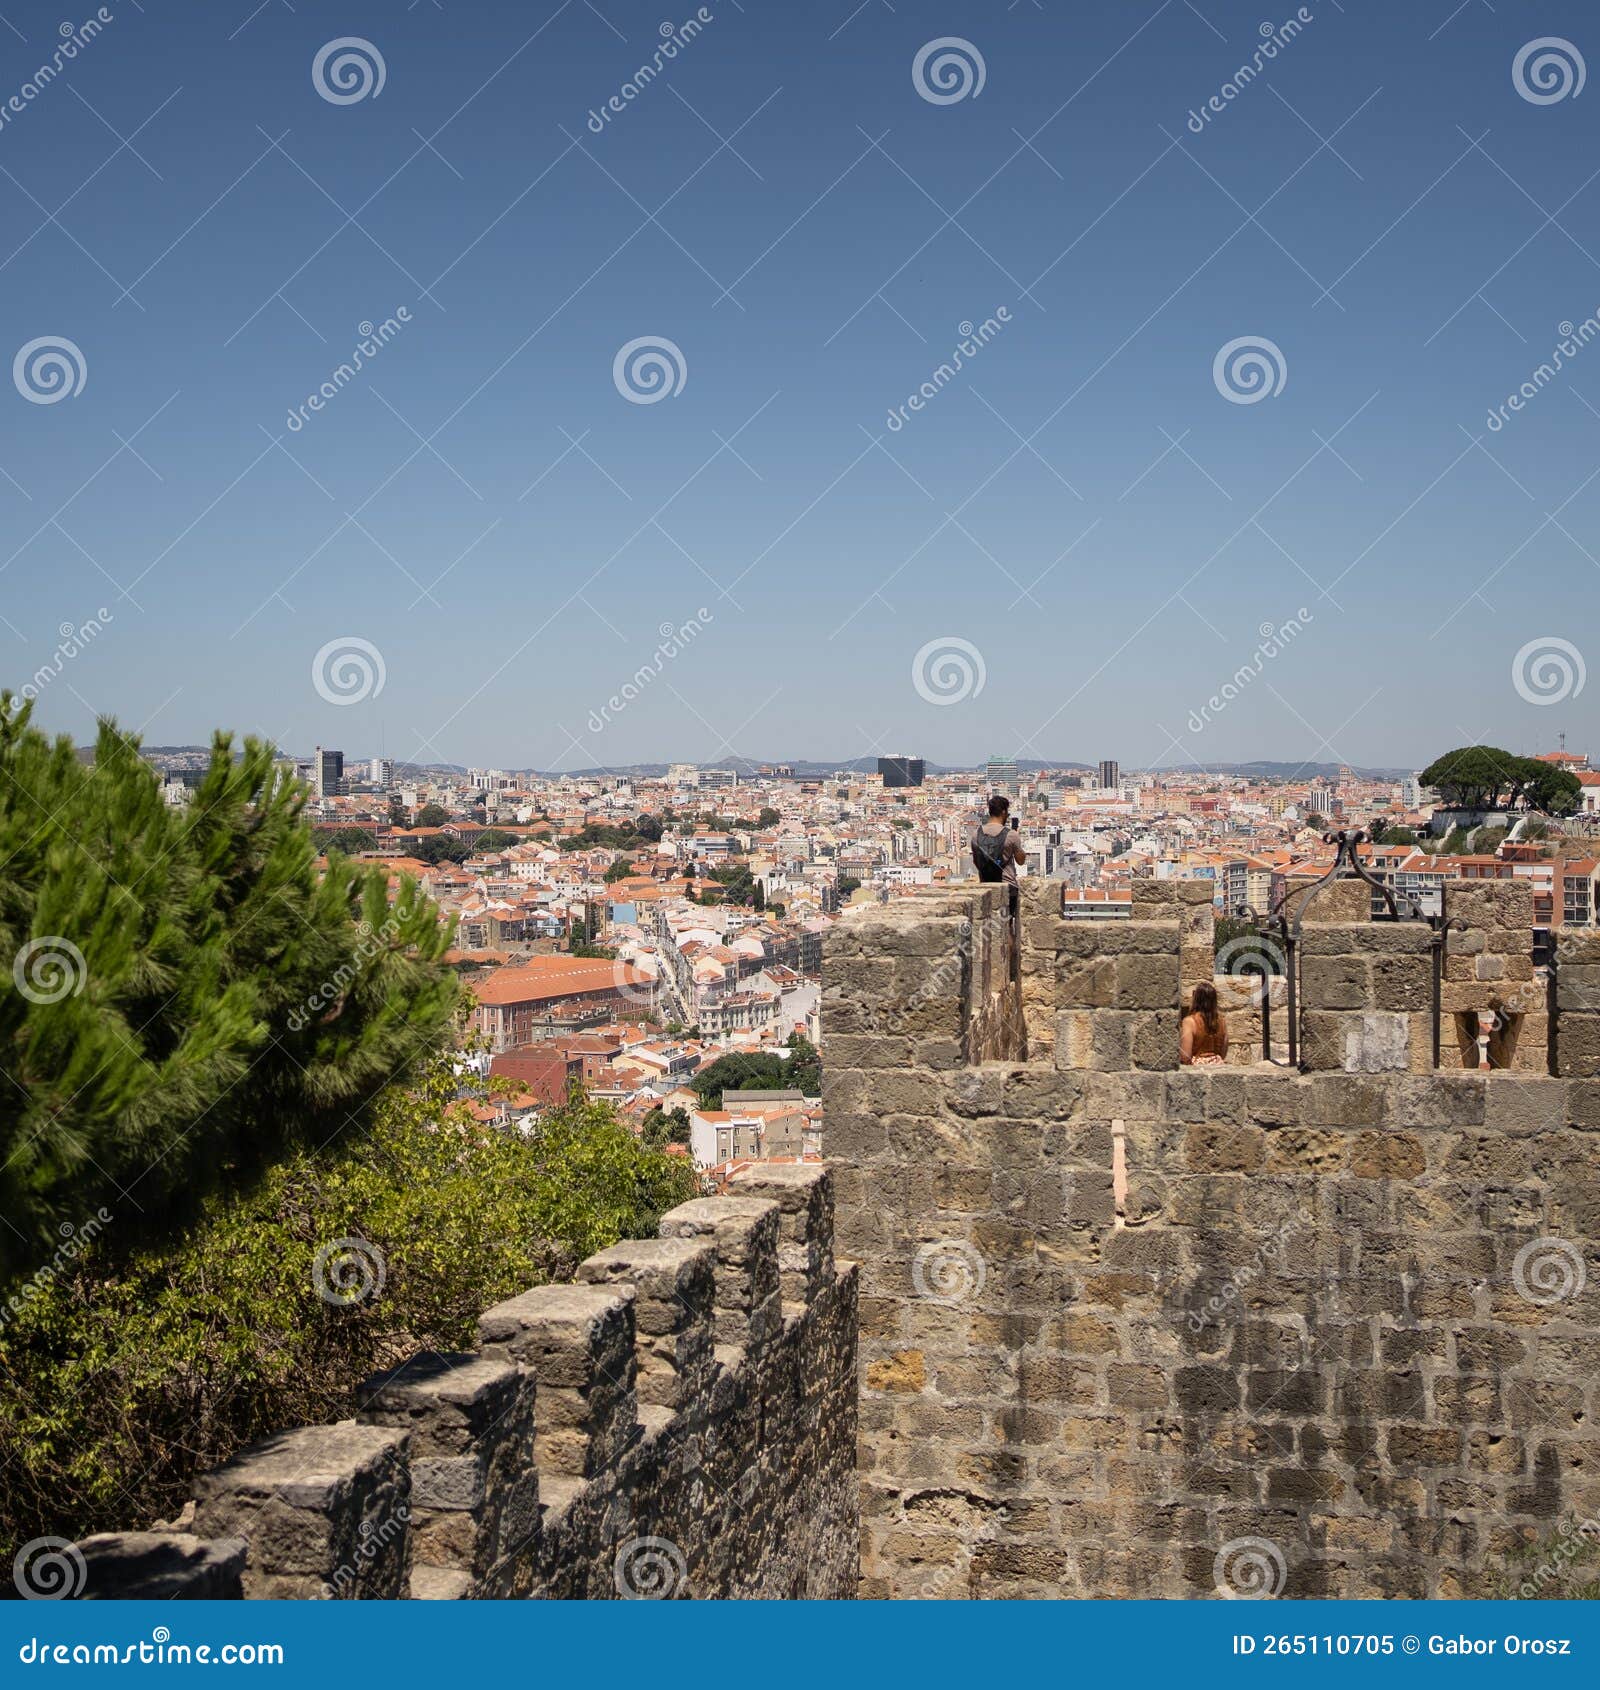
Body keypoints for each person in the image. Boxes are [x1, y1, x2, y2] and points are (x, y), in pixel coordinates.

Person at [971, 795, 1026, 912]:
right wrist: (1017, 841)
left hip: (985, 887)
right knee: (1006, 921)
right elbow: (1021, 861)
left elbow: (976, 861)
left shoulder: (976, 834)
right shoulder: (1011, 835)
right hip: (1008, 887)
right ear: (1003, 812)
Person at [1180, 981, 1229, 1066]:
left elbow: (1185, 1056)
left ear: (1196, 999)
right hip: (1218, 1066)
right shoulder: (1222, 1021)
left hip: (1197, 1068)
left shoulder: (1189, 1021)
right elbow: (1223, 1052)